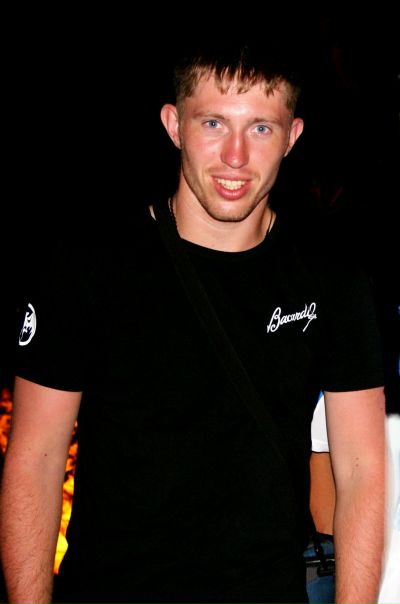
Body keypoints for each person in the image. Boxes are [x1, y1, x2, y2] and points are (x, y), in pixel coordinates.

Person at [0, 39, 386, 604]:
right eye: (213, 123)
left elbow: (362, 468)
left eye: (260, 128)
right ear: (173, 125)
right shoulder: (88, 265)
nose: (236, 156)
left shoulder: (332, 279)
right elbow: (34, 460)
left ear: (292, 137)